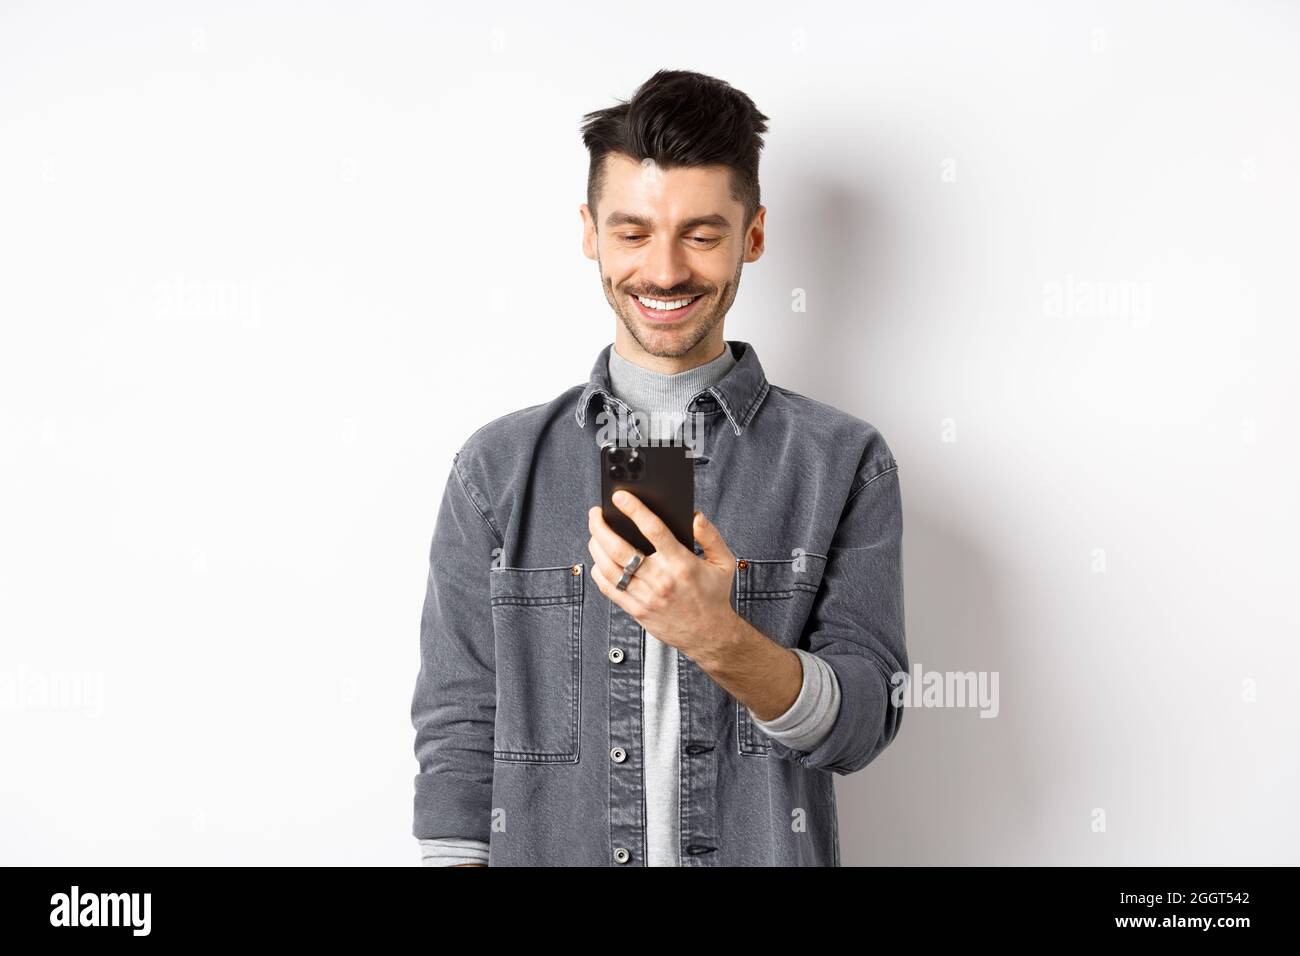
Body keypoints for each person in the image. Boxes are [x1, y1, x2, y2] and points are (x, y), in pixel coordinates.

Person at [411, 69, 907, 866]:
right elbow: (461, 726)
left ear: (753, 234)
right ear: (590, 232)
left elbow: (865, 723)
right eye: (634, 232)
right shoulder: (495, 470)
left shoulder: (844, 463)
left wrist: (719, 638)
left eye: (702, 235)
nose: (667, 271)